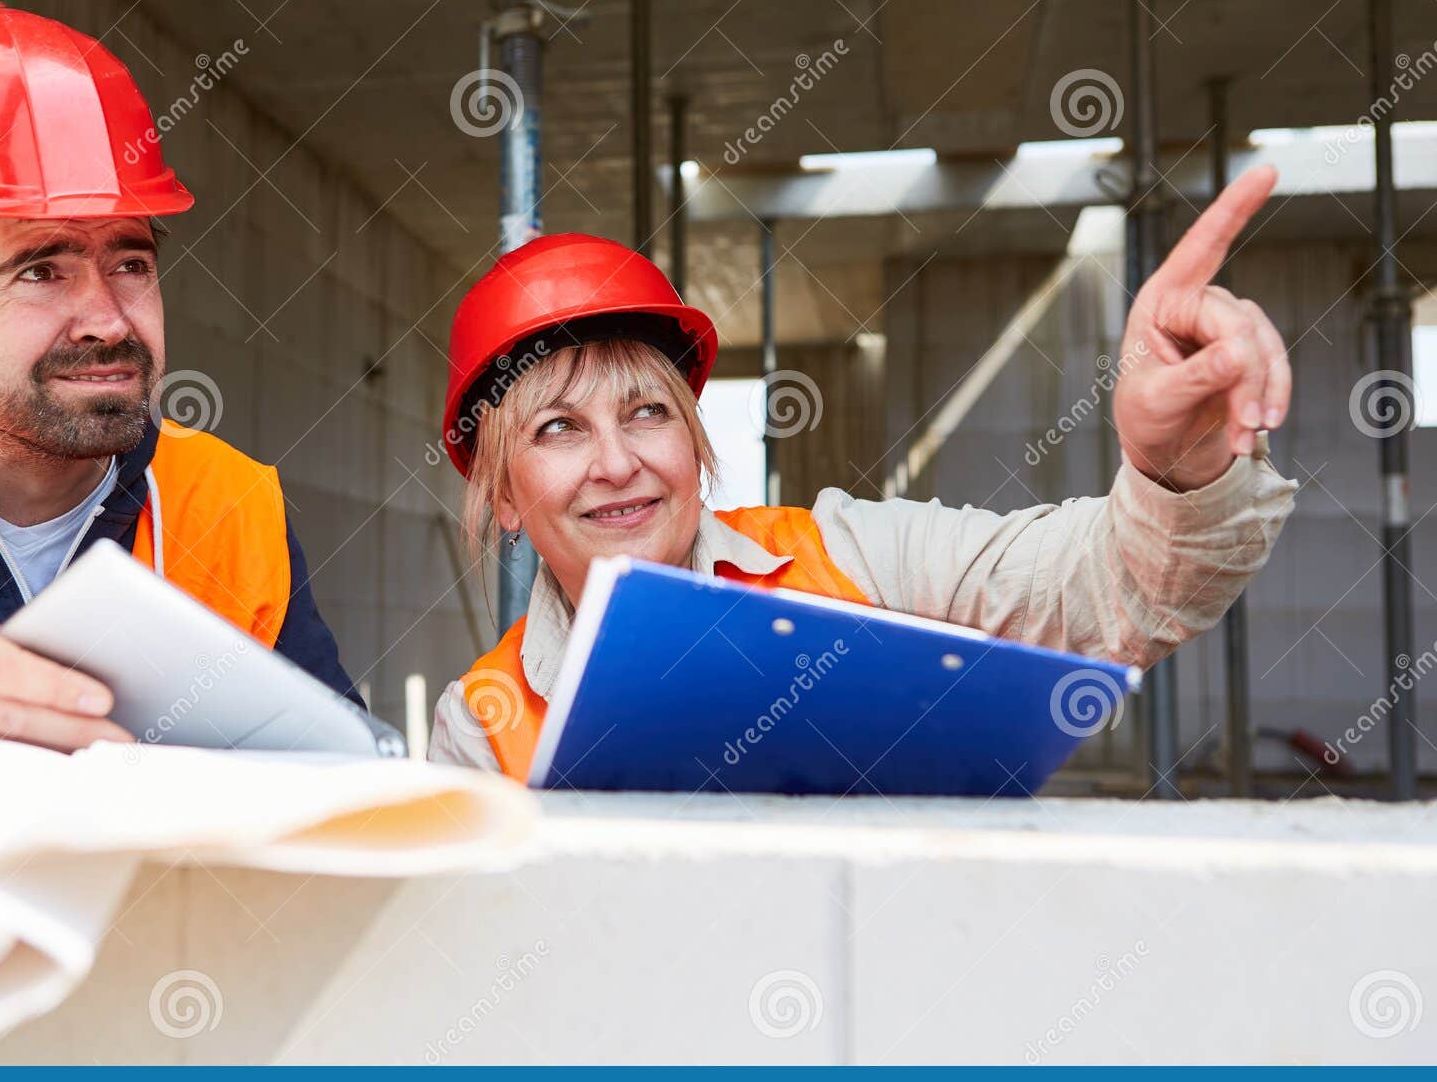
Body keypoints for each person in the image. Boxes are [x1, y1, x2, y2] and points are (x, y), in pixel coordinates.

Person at [428, 167, 1299, 780]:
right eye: (559, 428)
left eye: (648, 412)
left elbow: (1107, 592)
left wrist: (1175, 463)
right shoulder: (483, 729)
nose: (618, 463)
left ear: (694, 440)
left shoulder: (849, 557)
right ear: (504, 494)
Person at [0, 7, 363, 751]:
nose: (108, 320)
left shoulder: (226, 507)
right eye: (41, 269)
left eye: (130, 264)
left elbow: (343, 801)